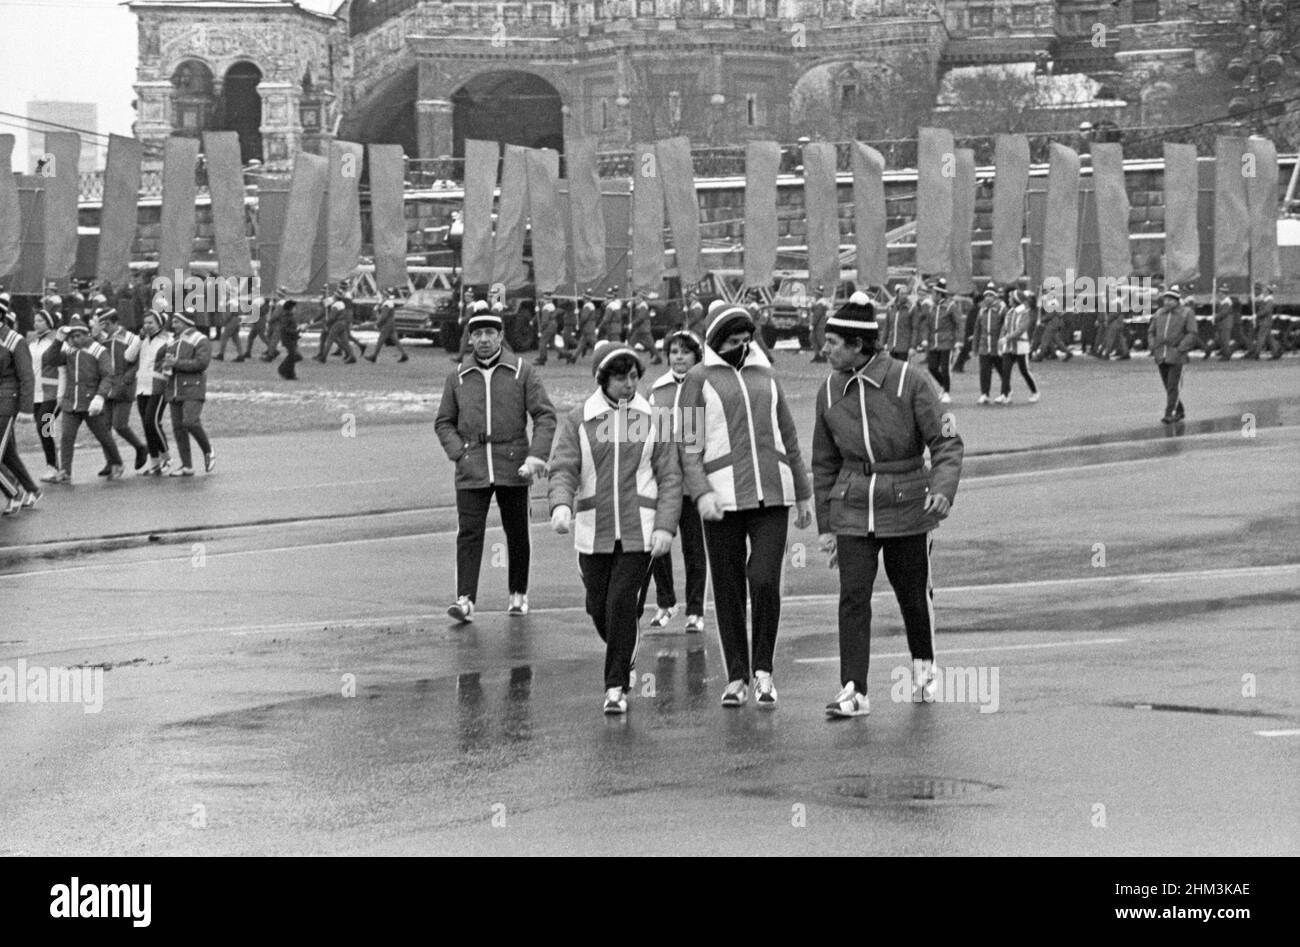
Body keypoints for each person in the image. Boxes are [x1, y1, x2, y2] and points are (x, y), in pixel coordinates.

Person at [813, 295, 964, 718]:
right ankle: (854, 690)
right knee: (853, 596)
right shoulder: (828, 389)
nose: (825, 349)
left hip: (908, 505)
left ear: (859, 346)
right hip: (853, 507)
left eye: (834, 342)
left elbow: (947, 442)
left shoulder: (911, 381)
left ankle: (923, 666)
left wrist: (942, 489)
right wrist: (826, 525)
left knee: (913, 595)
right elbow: (823, 462)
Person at [678, 304, 813, 708]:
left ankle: (763, 671)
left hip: (772, 493)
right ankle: (736, 674)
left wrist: (803, 494)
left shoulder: (768, 378)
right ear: (717, 343)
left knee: (765, 579)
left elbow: (789, 437)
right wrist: (700, 491)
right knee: (728, 586)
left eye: (745, 341)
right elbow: (687, 445)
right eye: (732, 342)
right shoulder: (696, 380)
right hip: (721, 498)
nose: (740, 347)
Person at [548, 343, 681, 714]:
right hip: (594, 531)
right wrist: (560, 503)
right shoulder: (579, 419)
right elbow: (563, 468)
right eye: (621, 377)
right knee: (598, 608)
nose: (629, 384)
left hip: (641, 531)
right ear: (602, 380)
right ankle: (625, 654)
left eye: (634, 376)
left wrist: (665, 527)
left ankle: (615, 687)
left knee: (623, 602)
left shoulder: (655, 419)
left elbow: (670, 477)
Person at [435, 305, 557, 623]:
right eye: (477, 334)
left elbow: (544, 415)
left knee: (517, 532)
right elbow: (444, 422)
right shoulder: (458, 378)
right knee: (469, 533)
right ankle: (465, 600)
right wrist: (460, 453)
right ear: (470, 339)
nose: (484, 340)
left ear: (501, 336)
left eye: (490, 333)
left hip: (513, 464)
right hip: (472, 466)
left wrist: (536, 456)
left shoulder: (521, 371)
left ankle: (518, 593)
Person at [640, 329, 708, 633]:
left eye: (685, 352)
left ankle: (696, 610)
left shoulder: (706, 387)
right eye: (674, 352)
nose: (679, 357)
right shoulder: (657, 389)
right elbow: (646, 434)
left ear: (696, 355)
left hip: (694, 484)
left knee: (694, 550)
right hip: (664, 484)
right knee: (658, 547)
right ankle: (666, 603)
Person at [48, 317, 122, 483]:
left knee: (103, 435)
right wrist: (58, 340)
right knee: (67, 436)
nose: (75, 340)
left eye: (79, 336)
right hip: (71, 401)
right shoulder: (68, 350)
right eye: (72, 337)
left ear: (87, 334)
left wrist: (100, 396)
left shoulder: (98, 350)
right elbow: (50, 360)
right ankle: (65, 471)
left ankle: (117, 463)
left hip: (91, 402)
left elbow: (108, 375)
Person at [162, 310, 216, 476]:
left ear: (186, 322)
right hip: (174, 388)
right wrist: (166, 366)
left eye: (177, 322)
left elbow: (201, 363)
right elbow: (168, 361)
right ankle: (187, 465)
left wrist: (176, 363)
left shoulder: (200, 339)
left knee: (190, 422)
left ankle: (208, 450)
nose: (173, 324)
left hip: (193, 387)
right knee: (178, 428)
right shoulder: (173, 340)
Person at [97, 308, 150, 473]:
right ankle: (111, 461)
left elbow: (140, 358)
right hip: (107, 384)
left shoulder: (129, 337)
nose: (103, 328)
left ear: (112, 322)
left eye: (104, 324)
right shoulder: (102, 339)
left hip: (124, 385)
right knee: (104, 427)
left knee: (119, 425)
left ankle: (140, 447)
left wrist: (129, 376)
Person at [0, 303, 40, 514]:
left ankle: (14, 494)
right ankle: (31, 490)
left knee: (2, 453)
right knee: (7, 454)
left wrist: (26, 409)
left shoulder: (15, 340)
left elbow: (27, 376)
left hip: (7, 401)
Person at [1148, 286, 1200, 424]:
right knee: (1168, 386)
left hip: (1177, 356)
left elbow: (1192, 333)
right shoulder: (1159, 313)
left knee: (1172, 386)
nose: (1167, 302)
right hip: (1161, 355)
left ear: (1177, 301)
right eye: (1166, 299)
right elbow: (1151, 332)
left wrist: (1181, 348)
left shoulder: (1186, 313)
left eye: (1170, 299)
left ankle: (1169, 413)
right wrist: (1153, 346)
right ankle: (1180, 410)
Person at [134, 309, 172, 475]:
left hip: (158, 385)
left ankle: (167, 458)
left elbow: (168, 363)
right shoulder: (143, 340)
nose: (147, 326)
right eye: (146, 323)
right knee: (146, 424)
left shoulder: (167, 339)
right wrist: (139, 339)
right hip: (142, 386)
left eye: (151, 323)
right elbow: (129, 357)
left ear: (159, 323)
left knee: (152, 422)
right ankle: (154, 461)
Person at [26, 308, 62, 480]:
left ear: (49, 322)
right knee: (43, 430)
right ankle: (54, 464)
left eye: (40, 320)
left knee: (45, 427)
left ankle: (54, 467)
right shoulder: (32, 341)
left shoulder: (56, 341)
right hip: (36, 393)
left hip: (52, 393)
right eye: (35, 320)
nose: (36, 323)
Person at [917, 278, 958, 404]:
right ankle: (943, 386)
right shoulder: (931, 308)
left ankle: (946, 392)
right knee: (932, 367)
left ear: (940, 294)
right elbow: (926, 325)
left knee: (945, 368)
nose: (932, 296)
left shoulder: (951, 306)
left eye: (934, 293)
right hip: (933, 342)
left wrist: (958, 340)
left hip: (946, 341)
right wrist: (924, 339)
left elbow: (958, 324)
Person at [997, 289, 1040, 404]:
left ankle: (1035, 391)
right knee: (1005, 371)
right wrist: (1001, 340)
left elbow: (1020, 330)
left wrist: (1007, 338)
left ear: (1016, 300)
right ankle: (1004, 394)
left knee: (1024, 371)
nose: (1008, 300)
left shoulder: (1025, 313)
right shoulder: (1010, 312)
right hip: (1009, 346)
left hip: (1021, 347)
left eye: (1011, 298)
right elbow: (1004, 328)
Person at [972, 283, 1006, 405]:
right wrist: (975, 347)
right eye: (986, 295)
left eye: (991, 295)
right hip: (984, 346)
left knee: (1002, 370)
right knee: (984, 371)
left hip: (997, 346)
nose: (988, 298)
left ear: (995, 297)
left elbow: (1005, 326)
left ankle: (1005, 392)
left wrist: (1003, 342)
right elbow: (977, 329)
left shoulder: (1002, 309)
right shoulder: (982, 310)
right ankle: (984, 394)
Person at [366, 288, 409, 363]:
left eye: (383, 294)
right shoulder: (388, 302)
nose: (382, 296)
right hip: (391, 323)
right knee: (395, 340)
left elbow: (383, 316)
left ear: (385, 295)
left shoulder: (387, 303)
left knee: (381, 340)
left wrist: (377, 323)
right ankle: (404, 354)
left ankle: (374, 356)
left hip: (387, 324)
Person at [1247, 283, 1280, 360]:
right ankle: (1276, 352)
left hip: (1265, 321)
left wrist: (1257, 315)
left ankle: (1256, 354)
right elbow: (1258, 306)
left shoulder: (1269, 300)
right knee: (1269, 338)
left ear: (1268, 291)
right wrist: (1252, 300)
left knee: (1260, 337)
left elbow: (1266, 310)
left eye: (1265, 290)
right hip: (1265, 321)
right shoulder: (1266, 299)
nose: (1263, 291)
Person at [1205, 285, 1238, 361]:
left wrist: (1214, 317)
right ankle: (1224, 353)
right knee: (1221, 340)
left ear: (1224, 294)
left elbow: (1223, 313)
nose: (1219, 295)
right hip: (1222, 324)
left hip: (1226, 324)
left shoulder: (1227, 302)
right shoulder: (1223, 302)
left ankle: (1226, 356)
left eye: (1220, 293)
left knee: (1225, 340)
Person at [629, 293, 661, 365]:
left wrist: (632, 324)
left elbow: (641, 318)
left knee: (634, 343)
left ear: (641, 299)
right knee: (649, 344)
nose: (635, 301)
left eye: (636, 299)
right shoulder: (640, 306)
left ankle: (657, 357)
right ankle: (656, 356)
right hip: (641, 329)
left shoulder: (643, 306)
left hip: (643, 328)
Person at [277, 300, 302, 380]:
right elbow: (285, 329)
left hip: (292, 338)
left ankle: (289, 373)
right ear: (291, 308)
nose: (295, 309)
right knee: (294, 356)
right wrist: (296, 331)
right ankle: (284, 370)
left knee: (294, 356)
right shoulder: (286, 316)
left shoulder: (289, 315)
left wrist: (297, 331)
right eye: (294, 307)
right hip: (288, 339)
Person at [534, 293, 559, 366]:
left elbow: (545, 321)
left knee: (542, 342)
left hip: (549, 326)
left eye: (544, 299)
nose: (542, 300)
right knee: (552, 344)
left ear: (546, 300)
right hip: (553, 325)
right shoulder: (552, 306)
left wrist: (540, 329)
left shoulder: (546, 308)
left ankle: (542, 359)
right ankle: (566, 354)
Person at [808, 285, 830, 363]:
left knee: (820, 340)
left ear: (818, 295)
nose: (814, 296)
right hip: (819, 325)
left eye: (816, 294)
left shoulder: (820, 304)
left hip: (819, 325)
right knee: (813, 339)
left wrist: (812, 324)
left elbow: (817, 315)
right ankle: (817, 355)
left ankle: (823, 357)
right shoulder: (819, 303)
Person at [574, 293, 599, 360]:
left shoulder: (587, 306)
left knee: (594, 343)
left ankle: (601, 353)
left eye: (583, 298)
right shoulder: (591, 305)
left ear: (585, 299)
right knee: (581, 343)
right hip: (590, 326)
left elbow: (584, 317)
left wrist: (579, 324)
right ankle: (573, 357)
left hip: (588, 327)